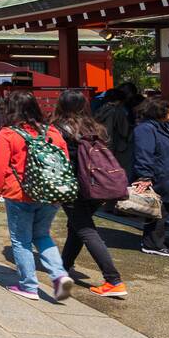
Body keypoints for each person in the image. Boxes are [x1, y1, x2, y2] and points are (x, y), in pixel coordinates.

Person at [0, 91, 74, 301]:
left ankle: (29, 285)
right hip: (50, 194)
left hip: (19, 194)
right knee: (43, 235)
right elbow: (64, 161)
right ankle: (59, 275)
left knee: (21, 241)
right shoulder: (52, 131)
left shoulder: (9, 133)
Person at [51, 90, 127, 297]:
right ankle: (63, 267)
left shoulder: (59, 129)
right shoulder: (96, 127)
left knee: (84, 228)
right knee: (76, 226)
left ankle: (113, 279)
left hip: (74, 186)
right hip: (98, 185)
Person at [133, 96, 169, 258]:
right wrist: (144, 176)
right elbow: (144, 154)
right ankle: (153, 244)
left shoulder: (162, 127)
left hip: (167, 173)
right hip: (158, 176)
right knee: (157, 211)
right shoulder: (146, 129)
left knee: (162, 211)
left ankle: (155, 241)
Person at [94, 86, 135, 177]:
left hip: (102, 145)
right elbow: (125, 131)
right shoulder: (118, 111)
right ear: (120, 101)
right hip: (118, 147)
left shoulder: (99, 110)